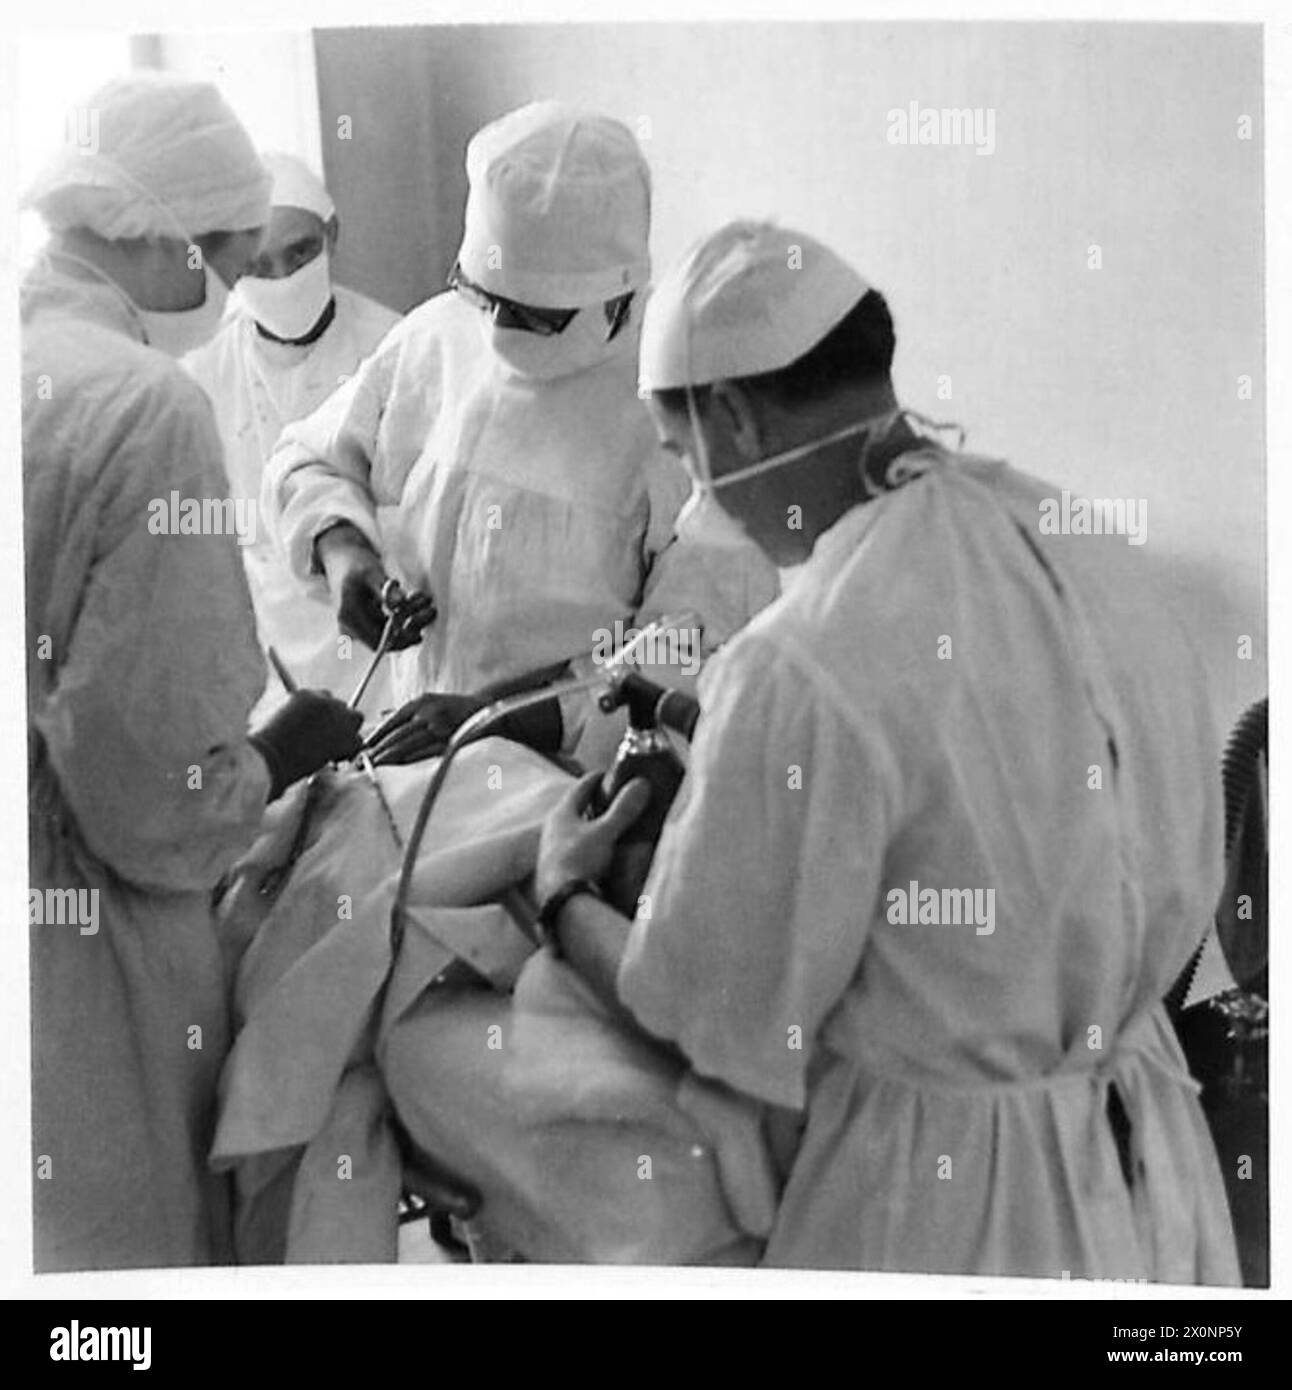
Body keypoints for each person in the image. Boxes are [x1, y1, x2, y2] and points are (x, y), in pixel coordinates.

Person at [530, 220, 1242, 1281]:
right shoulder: (1077, 539)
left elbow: (709, 1012)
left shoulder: (799, 658)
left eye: (684, 459)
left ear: (726, 416)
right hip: (1148, 1175)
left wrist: (563, 894)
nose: (695, 497)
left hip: (947, 1205)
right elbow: (1004, 777)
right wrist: (722, 731)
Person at [22, 73, 363, 1271]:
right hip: (88, 938)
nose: (232, 286)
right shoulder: (141, 406)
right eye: (227, 254)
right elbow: (146, 787)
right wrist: (274, 757)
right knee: (124, 1271)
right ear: (171, 242)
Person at [263, 101, 778, 766]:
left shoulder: (687, 408)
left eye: (531, 316)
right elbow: (306, 461)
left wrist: (501, 716)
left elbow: (691, 643)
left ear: (616, 297)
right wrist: (345, 555)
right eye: (483, 294)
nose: (497, 329)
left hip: (580, 784)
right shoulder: (436, 337)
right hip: (420, 755)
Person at [185, 153, 401, 707]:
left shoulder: (393, 347)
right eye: (259, 265)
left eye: (301, 252)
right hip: (264, 645)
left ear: (332, 235)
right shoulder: (202, 370)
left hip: (376, 628)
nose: (282, 280)